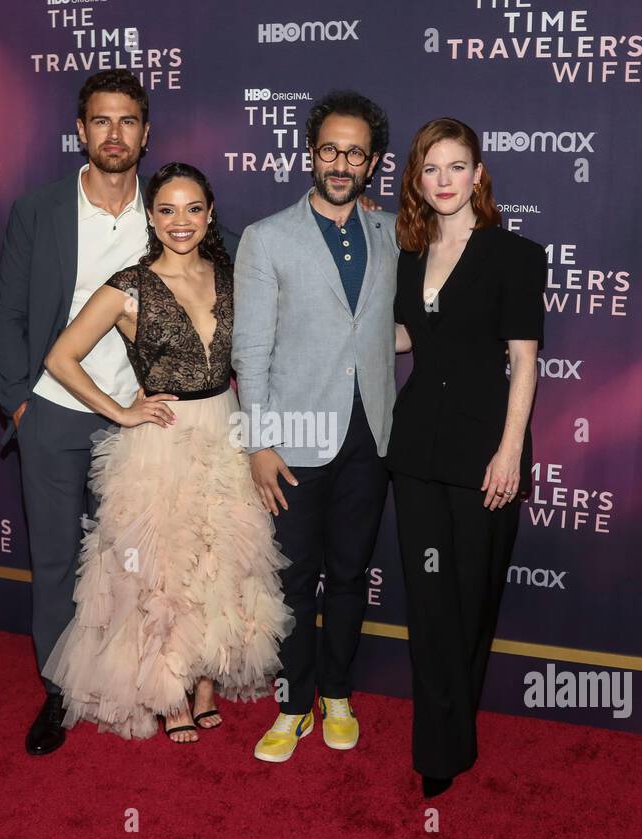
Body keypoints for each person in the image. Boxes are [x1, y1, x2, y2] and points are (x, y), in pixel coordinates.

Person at [0, 69, 240, 755]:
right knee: (57, 561)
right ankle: (58, 691)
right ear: (81, 131)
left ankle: (148, 682)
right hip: (53, 412)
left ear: (145, 132)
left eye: (128, 121)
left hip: (146, 418)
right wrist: (19, 403)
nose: (114, 133)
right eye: (101, 121)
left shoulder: (165, 211)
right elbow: (9, 312)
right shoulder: (38, 211)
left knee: (145, 564)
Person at [39, 162, 292, 742]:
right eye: (168, 210)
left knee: (219, 559)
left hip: (225, 427)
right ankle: (165, 687)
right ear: (151, 217)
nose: (182, 222)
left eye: (194, 209)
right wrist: (122, 410)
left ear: (209, 214)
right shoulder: (128, 286)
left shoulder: (231, 275)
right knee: (160, 569)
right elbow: (60, 358)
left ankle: (204, 681)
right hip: (162, 438)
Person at [232, 90, 399, 763]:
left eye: (354, 152)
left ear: (373, 162)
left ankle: (337, 693)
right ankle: (294, 703)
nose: (340, 161)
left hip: (372, 435)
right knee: (295, 580)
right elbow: (252, 351)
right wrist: (260, 442)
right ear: (311, 152)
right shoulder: (267, 237)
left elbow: (389, 326)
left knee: (352, 573)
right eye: (329, 148)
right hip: (294, 435)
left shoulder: (391, 232)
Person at [386, 117, 546, 797]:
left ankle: (456, 728)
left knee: (470, 599)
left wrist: (510, 451)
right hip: (417, 446)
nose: (445, 180)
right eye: (431, 169)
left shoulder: (514, 255)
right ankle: (439, 749)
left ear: (477, 175)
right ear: (416, 182)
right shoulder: (407, 254)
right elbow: (400, 338)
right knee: (427, 603)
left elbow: (524, 360)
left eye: (457, 167)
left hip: (485, 450)